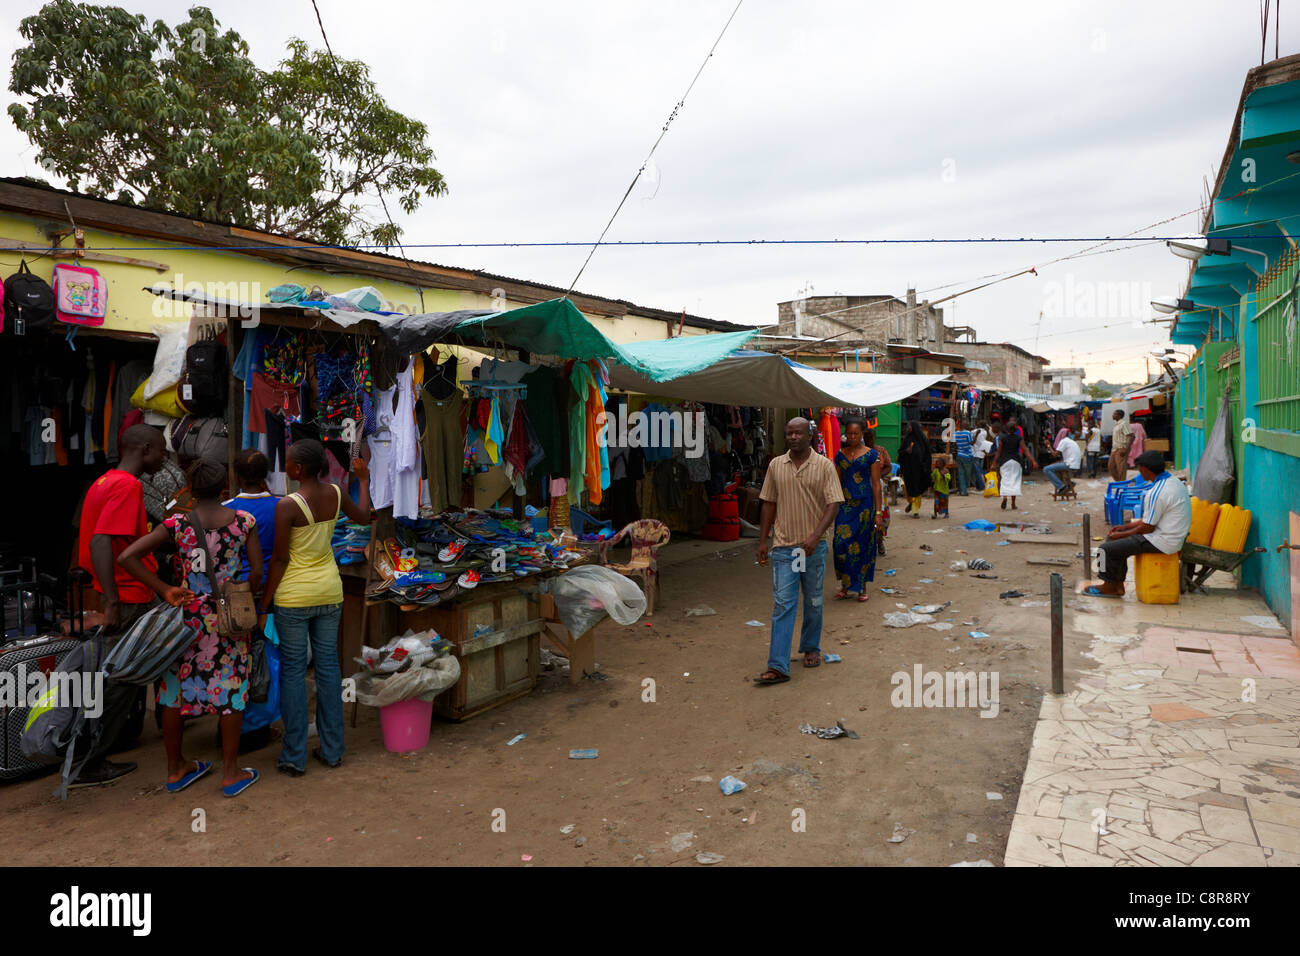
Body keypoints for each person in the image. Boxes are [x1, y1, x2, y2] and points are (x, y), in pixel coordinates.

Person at [118, 459, 263, 796]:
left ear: (190, 490)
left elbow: (127, 557)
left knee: (172, 692)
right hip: (227, 617)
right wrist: (242, 591)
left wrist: (164, 589)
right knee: (230, 690)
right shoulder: (244, 522)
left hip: (186, 616)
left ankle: (176, 769)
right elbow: (256, 571)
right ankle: (230, 772)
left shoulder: (176, 523)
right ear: (225, 488)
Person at [260, 439, 372, 775]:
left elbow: (279, 560)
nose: (287, 467)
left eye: (290, 463)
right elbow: (365, 517)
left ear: (298, 469)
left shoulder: (288, 506)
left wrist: (265, 603)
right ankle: (333, 750)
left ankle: (294, 756)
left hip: (294, 597)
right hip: (329, 592)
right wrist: (363, 481)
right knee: (328, 668)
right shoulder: (337, 492)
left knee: (294, 673)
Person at [71, 423, 167, 787]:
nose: (163, 458)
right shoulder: (129, 485)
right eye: (160, 450)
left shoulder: (104, 480)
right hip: (127, 596)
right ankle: (90, 761)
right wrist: (111, 600)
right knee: (120, 680)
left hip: (128, 592)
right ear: (144, 449)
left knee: (125, 673)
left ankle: (163, 723)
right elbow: (100, 541)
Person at [753, 418, 844, 685]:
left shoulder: (825, 466)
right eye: (789, 433)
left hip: (812, 549)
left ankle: (811, 647)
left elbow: (833, 504)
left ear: (810, 435)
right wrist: (762, 541)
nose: (792, 437)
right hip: (785, 548)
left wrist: (816, 536)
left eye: (798, 433)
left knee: (814, 601)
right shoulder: (775, 466)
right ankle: (778, 665)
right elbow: (768, 503)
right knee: (783, 604)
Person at [1086, 451, 1191, 597]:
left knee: (1105, 549)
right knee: (1114, 542)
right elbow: (1150, 519)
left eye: (1139, 468)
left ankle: (1109, 585)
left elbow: (1148, 527)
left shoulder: (1157, 492)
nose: (1139, 472)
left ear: (1145, 469)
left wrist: (1124, 533)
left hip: (1163, 541)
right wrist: (1125, 527)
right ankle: (1116, 585)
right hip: (1170, 535)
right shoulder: (1172, 482)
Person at [832, 418, 883, 602]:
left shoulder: (871, 455)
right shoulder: (840, 454)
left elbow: (876, 484)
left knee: (862, 546)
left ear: (862, 434)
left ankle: (861, 587)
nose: (852, 437)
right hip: (844, 506)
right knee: (839, 544)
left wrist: (878, 512)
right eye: (849, 434)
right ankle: (845, 585)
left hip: (865, 507)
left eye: (856, 434)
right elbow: (835, 482)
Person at [224, 449, 280, 592]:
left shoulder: (226, 510)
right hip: (278, 583)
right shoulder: (283, 506)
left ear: (236, 478)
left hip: (240, 586)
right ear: (265, 475)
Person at [994, 418, 1036, 511]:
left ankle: (1005, 497)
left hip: (1005, 462)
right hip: (1016, 462)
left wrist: (994, 463)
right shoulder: (1019, 438)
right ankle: (1013, 504)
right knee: (1014, 481)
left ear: (1006, 429)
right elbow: (1025, 450)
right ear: (1016, 429)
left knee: (1005, 480)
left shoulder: (1002, 438)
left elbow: (999, 451)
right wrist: (1033, 460)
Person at [898, 421, 931, 518]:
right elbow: (900, 452)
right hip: (909, 469)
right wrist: (906, 451)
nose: (907, 428)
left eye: (909, 426)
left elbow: (927, 454)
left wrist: (925, 466)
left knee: (918, 488)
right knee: (909, 488)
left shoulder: (923, 439)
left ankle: (915, 511)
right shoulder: (906, 439)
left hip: (920, 469)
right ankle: (911, 503)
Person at [953, 422, 981, 496]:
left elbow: (955, 444)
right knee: (967, 474)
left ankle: (963, 490)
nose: (969, 426)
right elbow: (971, 443)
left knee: (961, 473)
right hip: (967, 455)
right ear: (965, 426)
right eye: (968, 425)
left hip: (959, 455)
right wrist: (977, 435)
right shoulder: (967, 433)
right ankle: (964, 489)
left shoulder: (956, 433)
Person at [1109, 409, 1133, 481]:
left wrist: (1126, 449)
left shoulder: (1124, 424)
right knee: (1111, 466)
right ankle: (1119, 481)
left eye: (1114, 414)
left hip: (1121, 448)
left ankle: (1122, 483)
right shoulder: (1116, 425)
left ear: (1119, 415)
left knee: (1121, 468)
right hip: (1114, 449)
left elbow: (1132, 436)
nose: (1113, 415)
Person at [969, 421, 990, 492]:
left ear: (980, 425)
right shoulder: (985, 432)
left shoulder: (975, 431)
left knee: (978, 471)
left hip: (976, 453)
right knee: (979, 470)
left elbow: (969, 433)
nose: (976, 423)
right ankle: (978, 487)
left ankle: (982, 486)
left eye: (978, 423)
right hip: (982, 453)